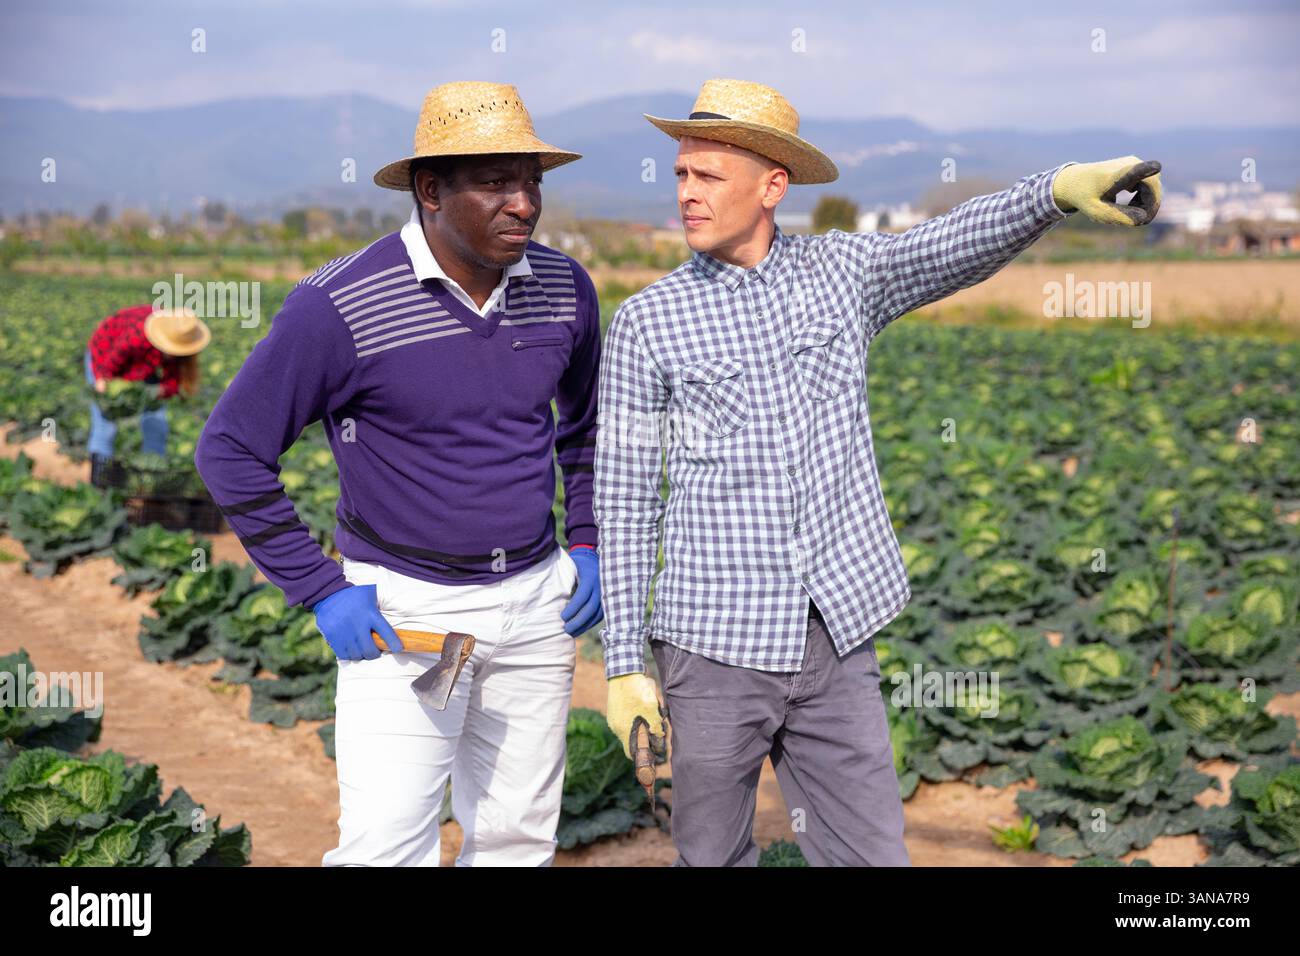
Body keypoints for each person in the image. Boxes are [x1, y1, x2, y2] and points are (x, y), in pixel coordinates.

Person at [594, 77, 1162, 866]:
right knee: (714, 858)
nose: (686, 193)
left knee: (870, 856)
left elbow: (947, 244)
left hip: (836, 636)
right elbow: (622, 501)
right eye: (681, 174)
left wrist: (1055, 192)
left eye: (707, 176)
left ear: (772, 186)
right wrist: (623, 660)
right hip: (711, 646)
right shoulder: (646, 322)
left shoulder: (844, 273)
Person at [194, 81, 604, 867]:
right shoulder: (338, 305)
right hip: (409, 619)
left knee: (518, 838)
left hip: (535, 609)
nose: (523, 203)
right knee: (386, 846)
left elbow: (585, 429)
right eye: (494, 182)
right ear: (429, 190)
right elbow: (230, 451)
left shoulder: (565, 290)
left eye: (533, 181)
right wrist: (320, 587)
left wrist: (584, 540)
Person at [85, 306, 208, 484]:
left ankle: (151, 483)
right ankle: (99, 483)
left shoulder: (181, 345)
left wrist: (158, 392)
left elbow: (173, 383)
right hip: (104, 355)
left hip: (144, 367)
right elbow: (108, 367)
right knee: (105, 426)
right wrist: (105, 387)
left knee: (156, 422)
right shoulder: (138, 334)